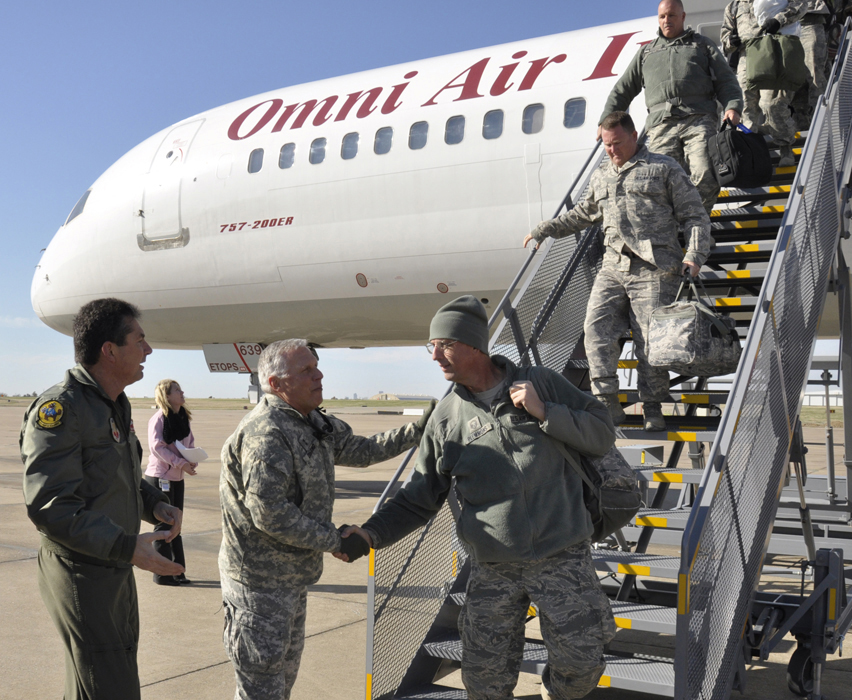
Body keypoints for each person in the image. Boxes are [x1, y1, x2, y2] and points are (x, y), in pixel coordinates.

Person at [343, 295, 618, 700]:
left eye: (446, 344)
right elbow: (420, 496)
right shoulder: (445, 418)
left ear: (476, 346)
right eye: (431, 346)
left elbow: (601, 431)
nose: (435, 356)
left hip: (562, 555)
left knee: (581, 662)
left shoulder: (540, 383)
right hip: (493, 567)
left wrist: (546, 414)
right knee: (484, 683)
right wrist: (372, 533)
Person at [218, 338, 434, 700]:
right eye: (306, 371)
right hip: (259, 587)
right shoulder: (266, 433)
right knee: (261, 688)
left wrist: (419, 427)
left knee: (281, 681)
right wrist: (336, 541)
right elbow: (271, 515)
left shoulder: (311, 421)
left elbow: (362, 451)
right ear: (276, 384)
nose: (319, 375)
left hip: (289, 579)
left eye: (316, 367)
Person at [20, 297, 184, 700]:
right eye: (139, 340)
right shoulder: (62, 409)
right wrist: (127, 546)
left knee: (101, 678)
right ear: (109, 350)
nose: (148, 350)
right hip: (83, 569)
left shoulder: (113, 403)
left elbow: (121, 476)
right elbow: (49, 506)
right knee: (110, 685)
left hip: (114, 564)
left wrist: (153, 504)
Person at [522, 111, 711, 432]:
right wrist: (545, 229)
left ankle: (652, 405)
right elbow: (582, 214)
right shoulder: (601, 175)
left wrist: (694, 254)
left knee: (650, 342)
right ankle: (607, 400)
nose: (612, 151)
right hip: (613, 268)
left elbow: (695, 215)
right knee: (595, 329)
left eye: (618, 143)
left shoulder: (663, 168)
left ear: (634, 136)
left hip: (655, 268)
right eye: (607, 145)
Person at [599, 0, 744, 213]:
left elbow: (726, 80)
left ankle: (696, 228)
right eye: (662, 16)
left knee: (705, 173)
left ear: (683, 17)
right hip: (661, 124)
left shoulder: (701, 45)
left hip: (698, 118)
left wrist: (733, 106)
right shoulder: (646, 53)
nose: (666, 21)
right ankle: (674, 231)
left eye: (672, 15)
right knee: (658, 180)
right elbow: (623, 89)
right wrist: (605, 122)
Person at [722, 0, 807, 167]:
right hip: (746, 58)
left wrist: (779, 20)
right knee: (746, 110)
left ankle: (785, 147)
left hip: (772, 50)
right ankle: (750, 155)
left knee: (772, 105)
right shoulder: (733, 6)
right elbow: (725, 35)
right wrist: (731, 41)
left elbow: (801, 5)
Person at [144, 378, 199, 585]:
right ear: (167, 396)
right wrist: (179, 463)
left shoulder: (183, 417)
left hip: (177, 477)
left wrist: (191, 461)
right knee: (164, 526)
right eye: (177, 390)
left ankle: (178, 571)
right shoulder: (159, 418)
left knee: (177, 525)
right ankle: (162, 574)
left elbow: (190, 443)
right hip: (160, 478)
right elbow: (157, 448)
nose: (182, 392)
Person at [791, 0, 832, 130]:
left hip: (810, 21)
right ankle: (802, 122)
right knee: (795, 77)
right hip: (787, 27)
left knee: (815, 72)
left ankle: (821, 119)